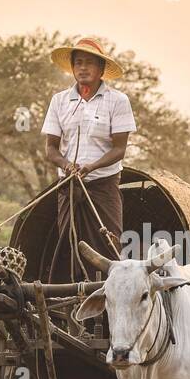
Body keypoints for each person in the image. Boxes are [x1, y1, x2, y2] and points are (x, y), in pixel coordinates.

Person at [41, 37, 136, 280]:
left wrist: (91, 167)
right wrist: (67, 165)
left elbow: (119, 149)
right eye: (78, 63)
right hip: (69, 187)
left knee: (109, 245)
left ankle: (110, 298)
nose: (83, 68)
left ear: (101, 69)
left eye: (89, 63)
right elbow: (51, 149)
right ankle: (70, 301)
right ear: (72, 68)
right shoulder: (59, 101)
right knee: (68, 245)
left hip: (103, 186)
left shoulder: (117, 100)